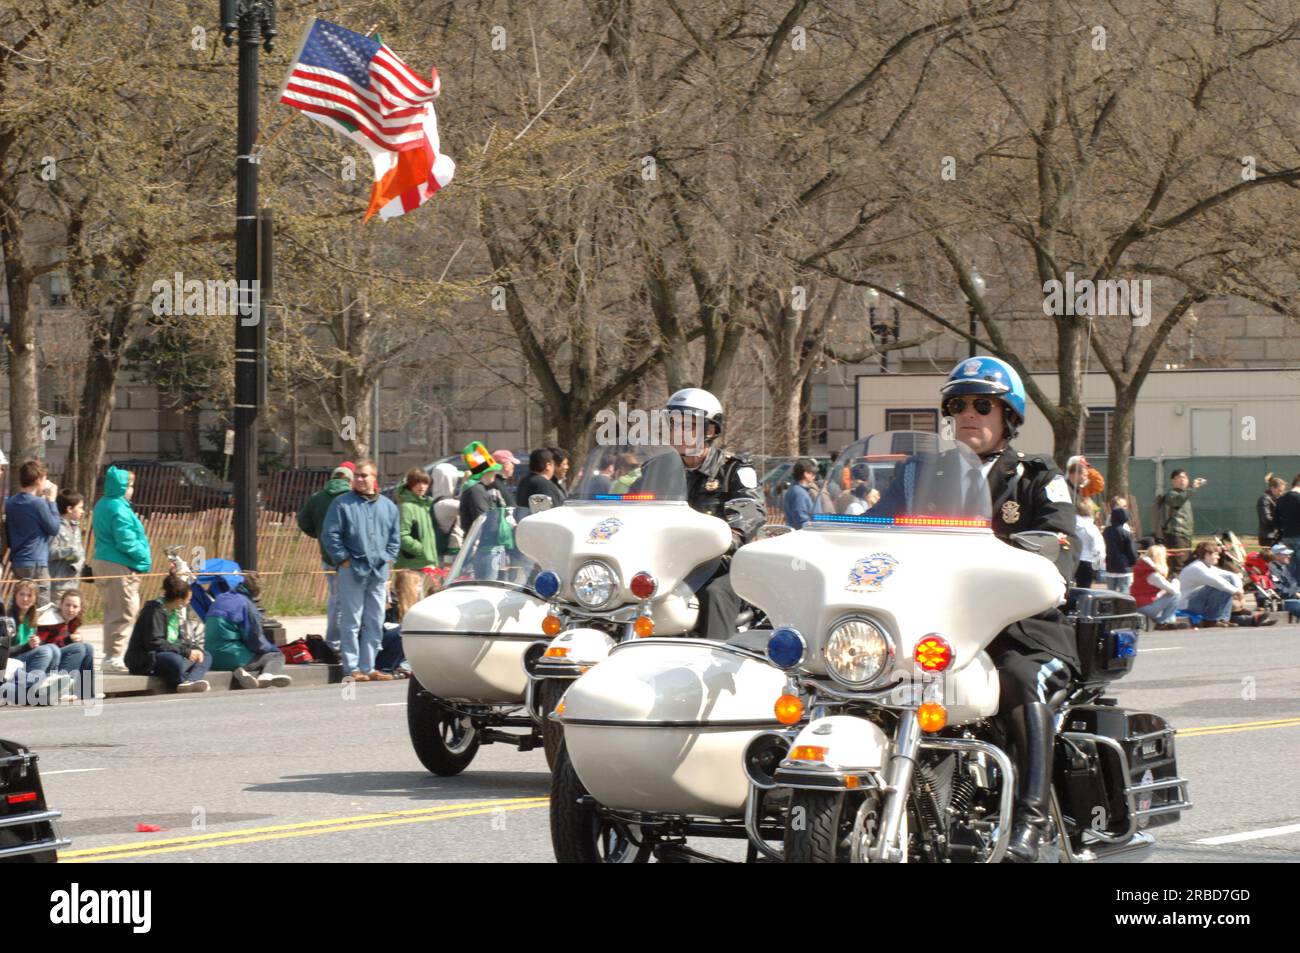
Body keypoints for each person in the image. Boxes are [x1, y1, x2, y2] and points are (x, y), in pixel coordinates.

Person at [872, 356, 1079, 863]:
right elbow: (871, 525)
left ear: (1008, 417)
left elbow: (1062, 540)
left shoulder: (1034, 475)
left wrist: (1028, 549)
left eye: (982, 405)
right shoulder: (922, 473)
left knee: (1020, 682)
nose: (968, 414)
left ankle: (1029, 822)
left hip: (1016, 629)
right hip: (929, 623)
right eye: (957, 404)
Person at [641, 388, 765, 643]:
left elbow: (751, 508)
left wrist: (734, 533)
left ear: (710, 431)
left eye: (689, 426)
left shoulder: (733, 470)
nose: (680, 433)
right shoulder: (655, 470)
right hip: (665, 561)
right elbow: (630, 502)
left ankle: (714, 661)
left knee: (714, 593)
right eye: (674, 425)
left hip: (716, 565)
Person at [321, 460, 401, 682]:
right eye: (357, 475)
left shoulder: (388, 506)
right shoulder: (341, 504)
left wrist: (387, 558)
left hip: (378, 572)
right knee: (351, 620)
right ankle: (352, 668)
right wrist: (343, 559)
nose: (359, 479)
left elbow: (395, 537)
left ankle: (369, 666)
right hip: (352, 570)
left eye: (364, 475)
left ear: (374, 478)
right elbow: (330, 534)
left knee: (375, 619)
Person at [91, 466, 152, 675]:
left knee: (113, 610)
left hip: (104, 561)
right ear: (122, 487)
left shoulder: (102, 504)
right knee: (124, 611)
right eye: (130, 485)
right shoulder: (118, 508)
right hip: (119, 564)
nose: (132, 490)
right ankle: (114, 657)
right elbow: (126, 540)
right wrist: (143, 557)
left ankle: (111, 655)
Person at [297, 462, 355, 648]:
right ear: (350, 480)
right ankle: (336, 641)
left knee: (335, 597)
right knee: (346, 601)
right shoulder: (351, 498)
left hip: (327, 556)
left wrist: (319, 535)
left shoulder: (317, 498)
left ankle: (336, 640)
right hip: (348, 556)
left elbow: (304, 522)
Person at [124, 572, 212, 692]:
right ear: (179, 599)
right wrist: (186, 652)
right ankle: (185, 679)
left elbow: (178, 639)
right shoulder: (154, 612)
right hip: (146, 658)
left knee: (205, 655)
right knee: (175, 661)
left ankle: (190, 681)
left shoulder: (173, 612)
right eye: (188, 600)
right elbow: (155, 643)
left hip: (168, 651)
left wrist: (193, 649)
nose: (188, 603)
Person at [204, 571, 291, 688]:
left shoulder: (220, 598)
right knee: (276, 656)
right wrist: (272, 648)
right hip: (232, 656)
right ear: (257, 592)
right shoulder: (246, 605)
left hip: (211, 658)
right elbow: (256, 641)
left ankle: (241, 671)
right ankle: (266, 676)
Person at [5, 460, 61, 604]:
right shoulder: (39, 504)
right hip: (36, 561)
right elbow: (54, 528)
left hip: (18, 561)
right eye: (44, 478)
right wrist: (52, 501)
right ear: (38, 480)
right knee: (40, 604)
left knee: (22, 603)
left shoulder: (11, 502)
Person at [6, 580, 72, 702]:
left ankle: (51, 683)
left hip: (24, 658)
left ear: (35, 598)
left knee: (53, 649)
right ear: (15, 595)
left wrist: (36, 643)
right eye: (21, 594)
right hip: (11, 662)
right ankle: (34, 688)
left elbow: (32, 645)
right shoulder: (8, 618)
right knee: (45, 651)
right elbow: (5, 652)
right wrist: (28, 646)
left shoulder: (31, 617)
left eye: (29, 595)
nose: (25, 599)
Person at [35, 587, 96, 700]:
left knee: (88, 647)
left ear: (80, 609)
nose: (70, 609)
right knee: (79, 648)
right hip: (48, 663)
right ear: (61, 605)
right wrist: (68, 641)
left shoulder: (72, 622)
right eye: (67, 605)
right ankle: (61, 690)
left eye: (75, 606)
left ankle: (86, 691)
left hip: (60, 657)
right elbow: (44, 648)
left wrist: (76, 639)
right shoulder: (50, 620)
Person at [395, 467, 438, 620]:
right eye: (417, 483)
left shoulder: (424, 505)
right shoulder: (406, 506)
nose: (422, 487)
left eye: (425, 483)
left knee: (425, 610)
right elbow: (402, 535)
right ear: (410, 484)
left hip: (426, 565)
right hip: (411, 566)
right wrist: (420, 549)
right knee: (409, 610)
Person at [1176, 540, 1241, 627]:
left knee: (1227, 581)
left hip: (1197, 602)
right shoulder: (1197, 568)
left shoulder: (1207, 567)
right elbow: (1217, 582)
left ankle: (1223, 619)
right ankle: (1211, 620)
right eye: (1216, 554)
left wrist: (1239, 588)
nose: (1218, 557)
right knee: (1222, 585)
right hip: (1187, 605)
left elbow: (1232, 575)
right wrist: (1236, 592)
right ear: (1207, 554)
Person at [1159, 469, 1205, 574]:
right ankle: (1174, 588)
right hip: (1175, 535)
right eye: (1179, 477)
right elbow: (1177, 501)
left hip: (1186, 535)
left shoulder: (1185, 496)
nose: (1182, 480)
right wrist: (1193, 488)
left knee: (1185, 564)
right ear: (1173, 481)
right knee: (1177, 566)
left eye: (1184, 477)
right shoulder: (1171, 494)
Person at [1132, 543, 1185, 629]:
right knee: (1176, 595)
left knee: (1167, 594)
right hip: (1146, 607)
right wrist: (1176, 581)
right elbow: (1173, 591)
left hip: (1139, 604)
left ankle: (1170, 620)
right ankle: (1163, 622)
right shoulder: (1153, 575)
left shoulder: (1142, 569)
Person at [49, 490, 86, 600]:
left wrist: (77, 562)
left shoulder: (76, 528)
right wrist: (70, 551)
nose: (83, 511)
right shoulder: (55, 527)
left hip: (73, 583)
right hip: (58, 585)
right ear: (69, 509)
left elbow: (79, 552)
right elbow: (50, 552)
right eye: (80, 507)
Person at [428, 462, 463, 563]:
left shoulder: (435, 502)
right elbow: (466, 506)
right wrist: (466, 484)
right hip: (453, 552)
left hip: (443, 551)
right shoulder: (446, 504)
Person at [1102, 505, 1138, 593]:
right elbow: (1131, 551)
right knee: (1124, 593)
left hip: (1110, 566)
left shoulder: (1106, 532)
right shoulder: (1126, 534)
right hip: (1124, 567)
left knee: (1110, 593)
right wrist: (1134, 562)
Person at [1073, 497, 1105, 588]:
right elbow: (1098, 549)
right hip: (1088, 562)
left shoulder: (1071, 526)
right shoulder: (1091, 528)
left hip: (1073, 560)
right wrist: (1097, 566)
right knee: (1084, 589)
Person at [1274, 474, 1300, 585]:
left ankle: (1293, 591)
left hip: (1286, 536)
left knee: (1290, 565)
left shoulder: (1281, 499)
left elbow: (1276, 520)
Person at [1265, 543, 1300, 621]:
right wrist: (1295, 594)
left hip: (1293, 597)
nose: (1289, 556)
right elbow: (1278, 589)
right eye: (1286, 554)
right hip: (1284, 601)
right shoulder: (1272, 569)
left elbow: (1293, 584)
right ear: (1277, 556)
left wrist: (1298, 591)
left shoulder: (1283, 568)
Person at [781, 458, 818, 529]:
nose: (814, 476)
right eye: (812, 473)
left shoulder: (797, 490)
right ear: (805, 473)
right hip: (803, 535)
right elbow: (801, 520)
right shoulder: (799, 492)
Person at [1258, 473, 1286, 547]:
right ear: (1272, 488)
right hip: (1268, 538)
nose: (1281, 493)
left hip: (1277, 536)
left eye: (1282, 491)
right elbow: (1266, 519)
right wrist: (1282, 522)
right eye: (1279, 490)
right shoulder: (1264, 499)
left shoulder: (1278, 500)